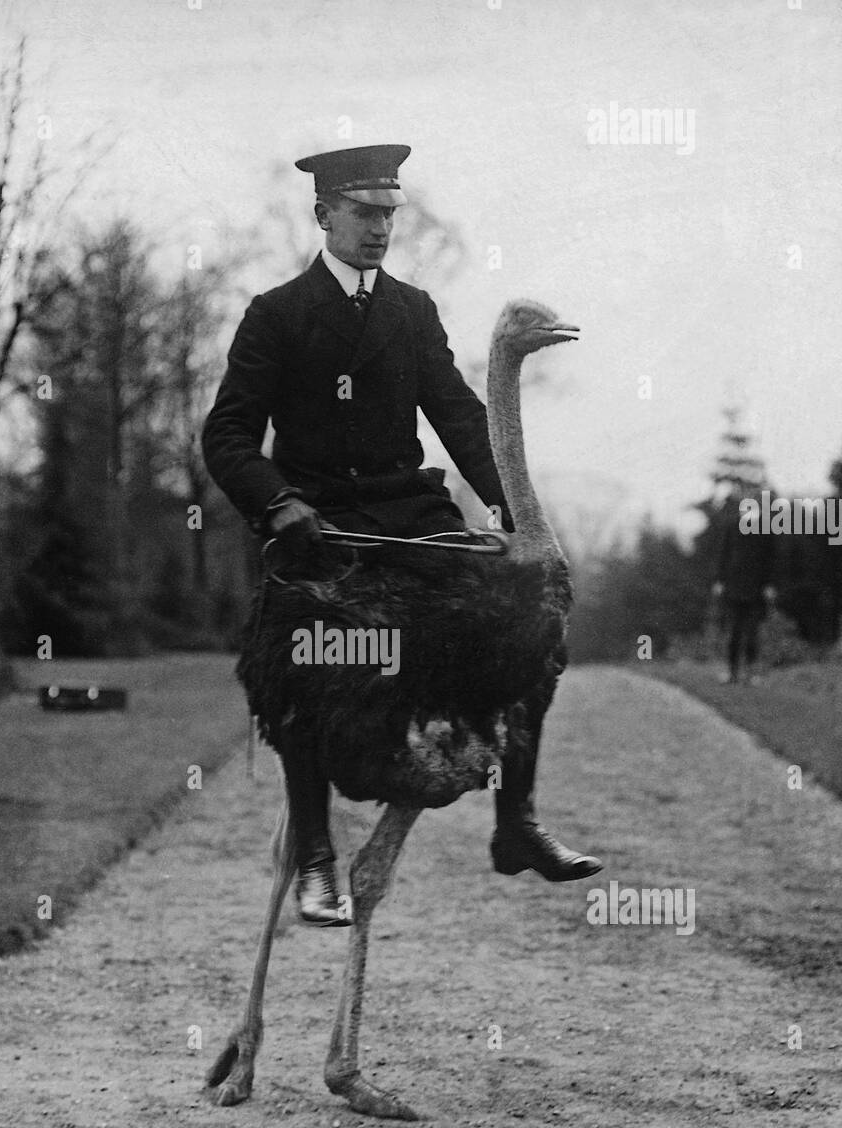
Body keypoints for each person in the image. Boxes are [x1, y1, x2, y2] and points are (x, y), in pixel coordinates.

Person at [203, 144, 601, 924]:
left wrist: (515, 512)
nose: (381, 228)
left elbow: (455, 413)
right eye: (365, 213)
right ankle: (316, 857)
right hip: (321, 530)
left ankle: (514, 819)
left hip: (411, 519)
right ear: (325, 216)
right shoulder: (276, 315)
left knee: (529, 621)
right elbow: (228, 435)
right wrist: (278, 502)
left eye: (390, 213)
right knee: (304, 663)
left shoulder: (412, 312)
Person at [712, 488, 777, 684]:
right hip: (733, 588)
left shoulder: (765, 530)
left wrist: (769, 585)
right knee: (734, 632)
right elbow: (723, 555)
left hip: (756, 590)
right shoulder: (731, 527)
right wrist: (719, 581)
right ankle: (732, 672)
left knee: (752, 633)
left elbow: (771, 560)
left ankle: (750, 673)